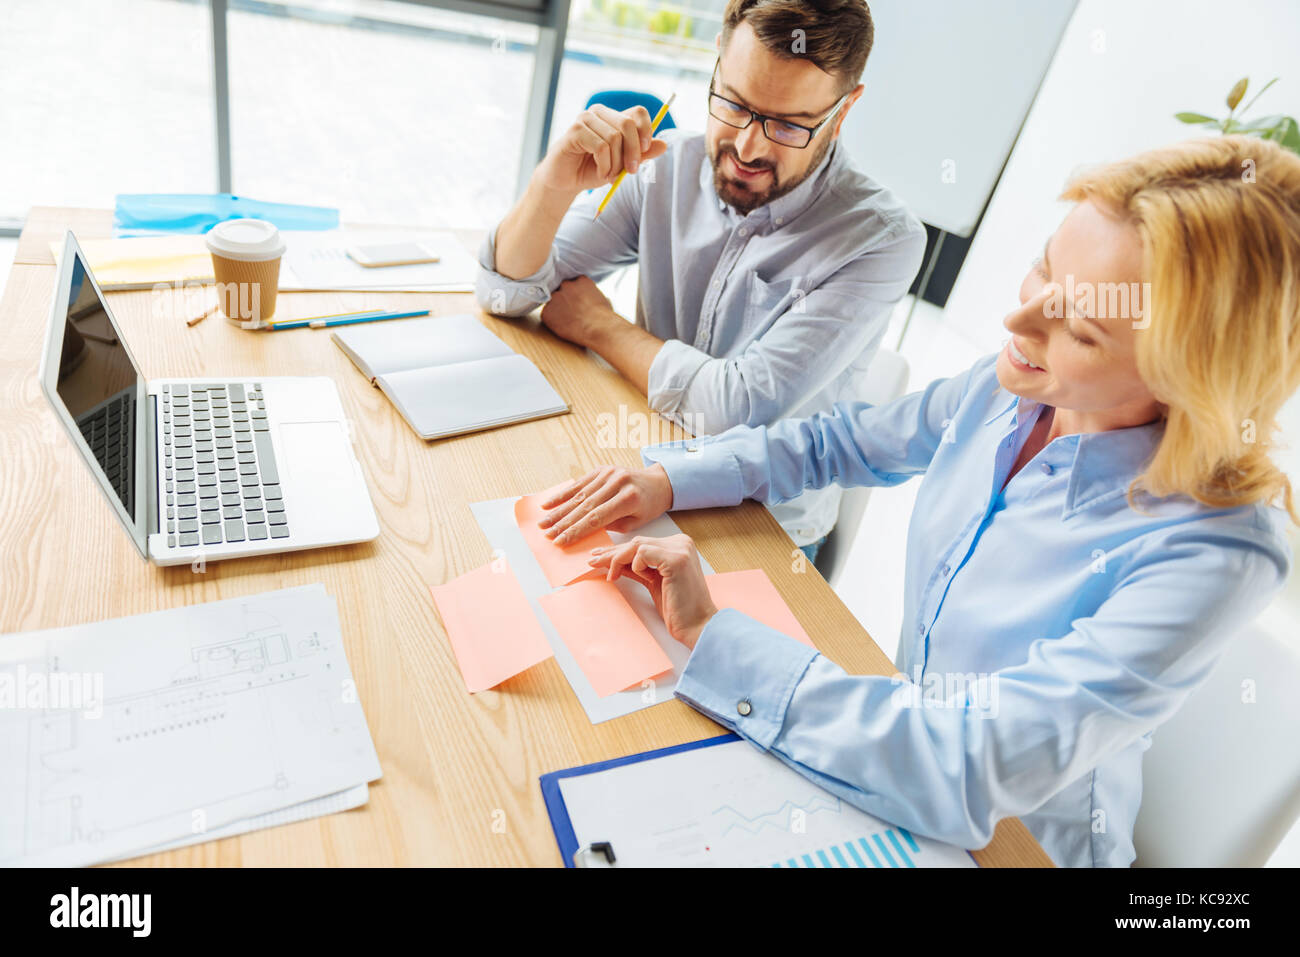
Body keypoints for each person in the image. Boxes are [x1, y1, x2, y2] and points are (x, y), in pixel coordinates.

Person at [533, 136, 1300, 867]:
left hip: (1004, 843)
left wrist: (711, 632)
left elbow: (967, 764)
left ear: (1185, 380)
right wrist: (675, 477)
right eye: (1044, 268)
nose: (1020, 319)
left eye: (1084, 330)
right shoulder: (1013, 388)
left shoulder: (1220, 551)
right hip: (884, 764)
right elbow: (842, 444)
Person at [476, 0, 926, 563]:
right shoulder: (668, 165)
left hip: (761, 528)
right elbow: (506, 292)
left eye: (788, 124)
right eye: (733, 104)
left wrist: (600, 327)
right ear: (716, 61)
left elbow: (730, 413)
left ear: (843, 110)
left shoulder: (880, 238)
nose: (747, 148)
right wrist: (552, 182)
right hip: (640, 463)